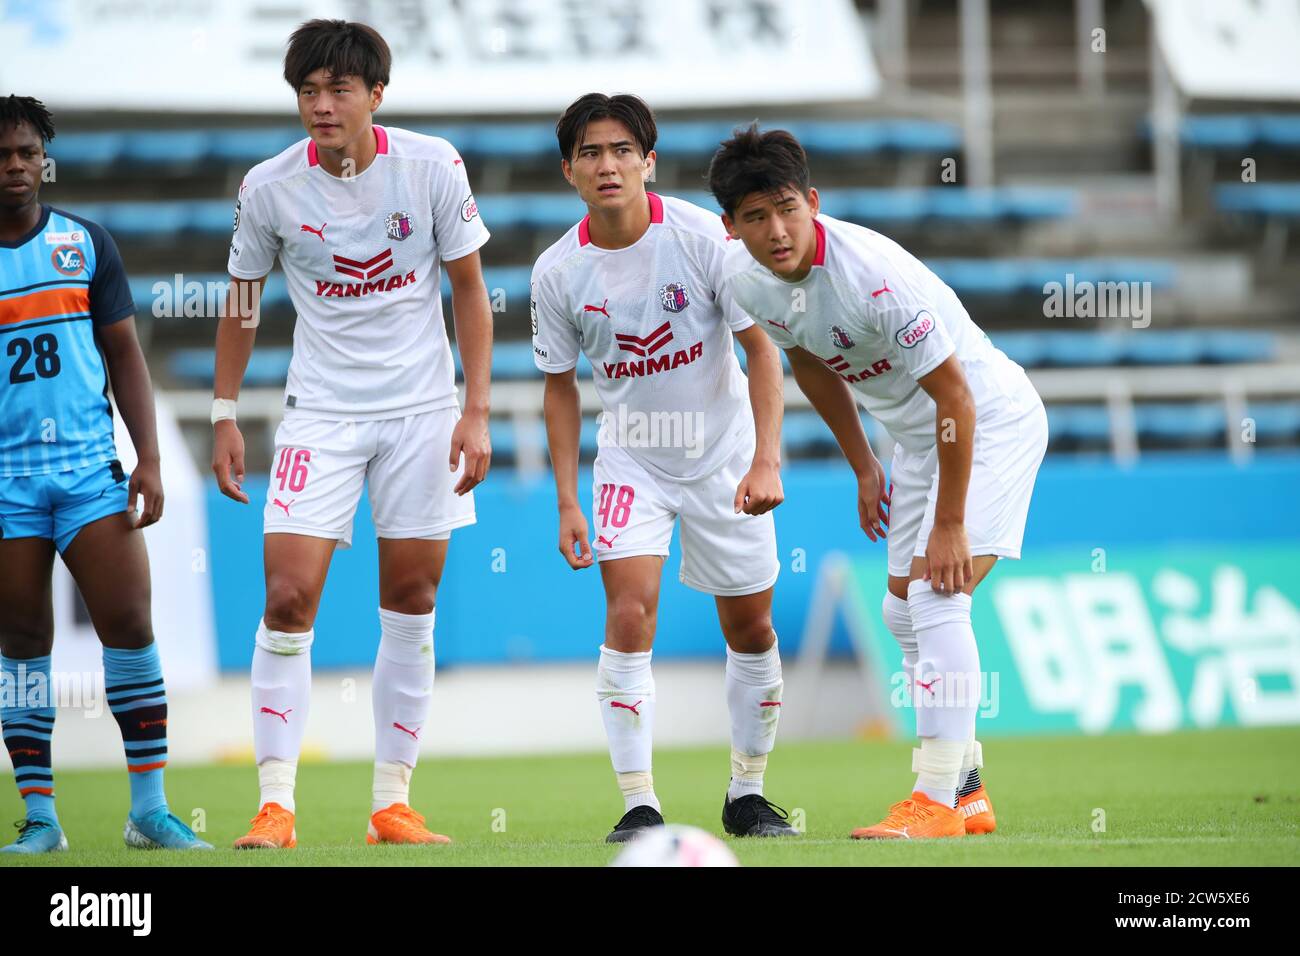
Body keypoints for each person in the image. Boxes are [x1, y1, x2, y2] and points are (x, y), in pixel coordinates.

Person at [710, 125, 1049, 839]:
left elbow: (956, 399)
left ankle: (933, 802)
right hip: (918, 440)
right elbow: (808, 362)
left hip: (986, 421)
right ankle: (970, 788)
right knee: (902, 614)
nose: (776, 231)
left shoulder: (872, 276)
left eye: (785, 209)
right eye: (755, 217)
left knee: (937, 596)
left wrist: (950, 523)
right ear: (730, 226)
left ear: (812, 200)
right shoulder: (746, 282)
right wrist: (866, 461)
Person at [211, 19, 493, 848]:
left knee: (412, 602)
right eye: (307, 91)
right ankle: (275, 805)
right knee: (288, 596)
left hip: (420, 413)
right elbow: (241, 300)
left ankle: (391, 804)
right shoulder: (268, 187)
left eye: (339, 89)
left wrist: (474, 409)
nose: (321, 106)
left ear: (377, 95)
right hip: (320, 413)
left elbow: (470, 290)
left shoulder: (432, 165)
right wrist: (225, 414)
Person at [532, 94, 797, 842]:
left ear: (648, 161)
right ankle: (638, 804)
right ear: (569, 171)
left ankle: (747, 794)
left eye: (621, 149)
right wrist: (565, 501)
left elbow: (762, 351)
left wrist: (766, 458)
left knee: (750, 626)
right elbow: (559, 389)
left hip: (725, 454)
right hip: (632, 459)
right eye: (590, 152)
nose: (606, 164)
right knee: (627, 614)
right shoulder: (557, 272)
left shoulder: (701, 239)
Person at [0, 95, 210, 852]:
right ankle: (41, 819)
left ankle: (149, 811)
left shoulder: (85, 244)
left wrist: (148, 457)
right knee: (22, 641)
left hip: (89, 470)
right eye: (3, 156)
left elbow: (124, 354)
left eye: (27, 152)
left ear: (43, 157)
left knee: (129, 626)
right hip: (7, 483)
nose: (17, 166)